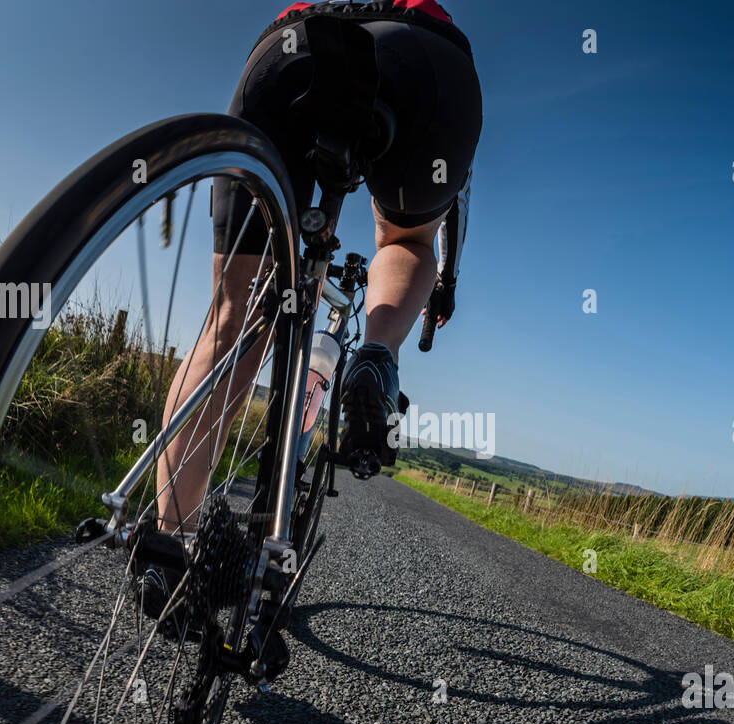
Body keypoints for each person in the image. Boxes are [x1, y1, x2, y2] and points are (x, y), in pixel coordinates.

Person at [141, 0, 481, 617]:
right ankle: (375, 354)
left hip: (295, 46)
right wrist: (441, 291)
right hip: (428, 57)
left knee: (232, 320)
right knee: (403, 240)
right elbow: (446, 229)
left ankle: (169, 556)